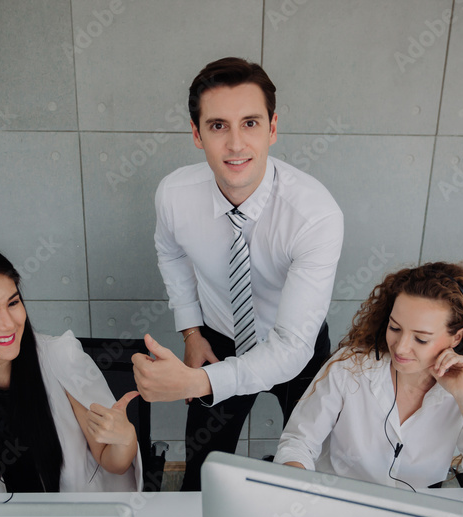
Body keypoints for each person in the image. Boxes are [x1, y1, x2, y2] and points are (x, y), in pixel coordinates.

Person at [133, 57, 344, 491]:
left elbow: (290, 345)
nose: (235, 144)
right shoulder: (174, 195)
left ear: (272, 129)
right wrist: (191, 333)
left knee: (318, 471)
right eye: (217, 126)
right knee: (202, 470)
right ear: (196, 134)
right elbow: (169, 254)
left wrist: (197, 382)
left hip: (294, 343)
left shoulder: (315, 215)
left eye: (249, 123)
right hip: (219, 339)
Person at [274, 261, 463, 504]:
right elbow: (298, 443)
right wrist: (298, 493)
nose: (401, 347)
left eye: (421, 339)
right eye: (395, 328)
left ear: (456, 337)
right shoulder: (350, 368)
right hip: (337, 506)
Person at [0, 240, 141, 501]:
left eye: (13, 303)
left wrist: (125, 438)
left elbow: (114, 462)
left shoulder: (60, 357)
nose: (9, 323)